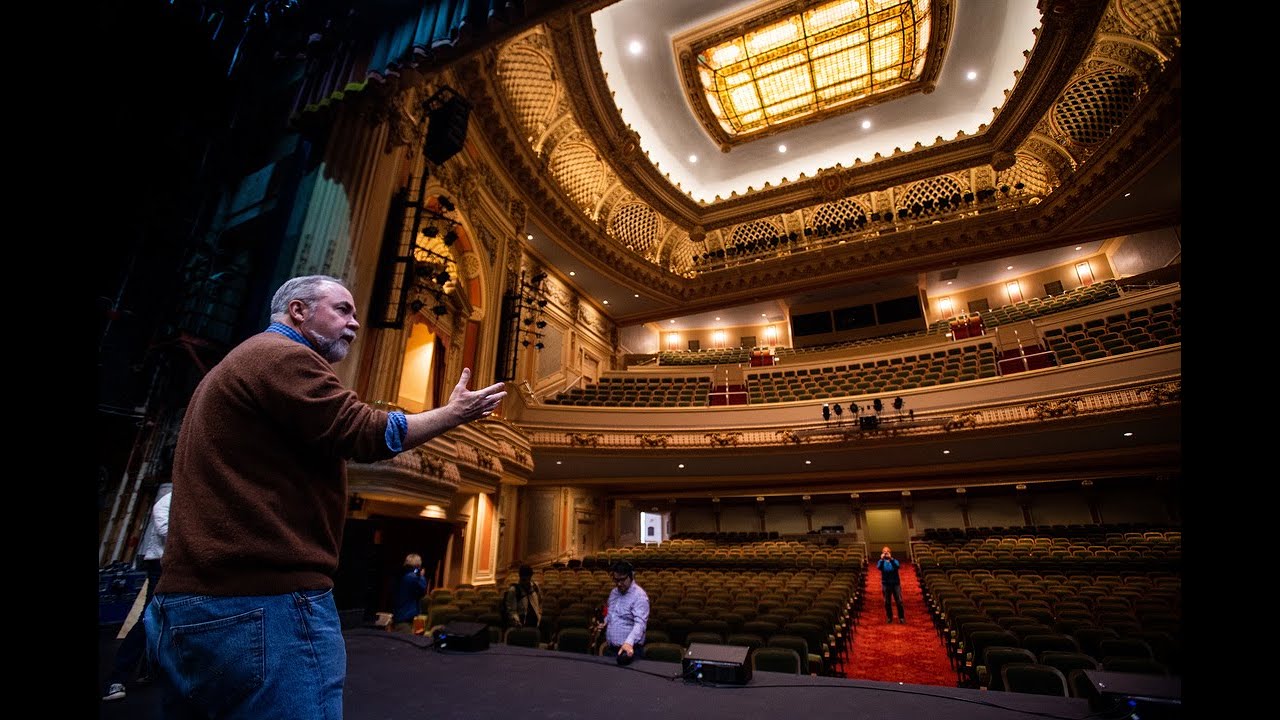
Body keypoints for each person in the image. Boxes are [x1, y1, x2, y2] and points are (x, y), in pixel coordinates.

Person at [146, 275, 505, 720]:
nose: (355, 323)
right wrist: (453, 414)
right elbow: (367, 433)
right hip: (261, 604)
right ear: (298, 311)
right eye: (343, 310)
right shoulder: (282, 356)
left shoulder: (241, 362)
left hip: (193, 605)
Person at [102, 485, 171, 702]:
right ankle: (117, 678)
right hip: (160, 565)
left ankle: (148, 669)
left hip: (181, 565)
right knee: (148, 618)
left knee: (173, 619)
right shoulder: (170, 499)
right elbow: (163, 528)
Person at [601, 560, 649, 661]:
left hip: (629, 651)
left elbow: (640, 624)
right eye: (616, 580)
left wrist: (628, 643)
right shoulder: (614, 593)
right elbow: (612, 615)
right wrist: (605, 622)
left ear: (631, 576)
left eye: (622, 580)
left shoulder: (639, 596)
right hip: (611, 650)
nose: (619, 584)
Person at [391, 553, 429, 633]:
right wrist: (421, 576)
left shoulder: (401, 574)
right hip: (407, 618)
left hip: (398, 615)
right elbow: (423, 591)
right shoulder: (413, 577)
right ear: (418, 564)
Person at [502, 564, 543, 630]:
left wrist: (539, 613)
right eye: (524, 580)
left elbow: (540, 602)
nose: (526, 582)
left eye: (528, 579)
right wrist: (517, 622)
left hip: (536, 622)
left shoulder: (535, 586)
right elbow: (512, 610)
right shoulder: (514, 590)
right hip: (521, 624)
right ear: (520, 577)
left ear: (530, 577)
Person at [877, 545, 905, 623]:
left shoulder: (895, 561)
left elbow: (897, 567)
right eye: (884, 552)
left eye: (887, 552)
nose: (886, 553)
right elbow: (879, 567)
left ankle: (901, 617)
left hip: (896, 584)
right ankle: (889, 617)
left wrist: (891, 559)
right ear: (882, 553)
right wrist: (882, 560)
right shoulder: (881, 562)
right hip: (886, 584)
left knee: (899, 601)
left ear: (890, 553)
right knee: (887, 602)